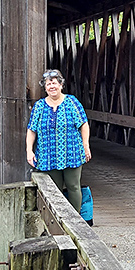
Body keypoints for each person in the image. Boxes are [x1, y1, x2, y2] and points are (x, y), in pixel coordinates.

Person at [26, 69, 91, 212]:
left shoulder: (72, 102)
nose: (52, 86)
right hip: (48, 155)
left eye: (54, 83)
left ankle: (75, 219)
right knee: (54, 189)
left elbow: (84, 124)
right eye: (48, 84)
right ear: (45, 88)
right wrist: (29, 151)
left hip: (72, 152)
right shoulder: (39, 106)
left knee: (73, 186)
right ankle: (58, 220)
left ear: (61, 85)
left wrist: (85, 145)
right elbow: (31, 130)